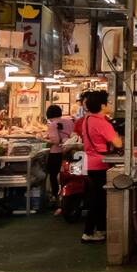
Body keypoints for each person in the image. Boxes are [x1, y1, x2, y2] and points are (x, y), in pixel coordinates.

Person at [78, 90, 122, 243]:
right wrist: (116, 134)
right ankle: (88, 233)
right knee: (97, 200)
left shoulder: (87, 120)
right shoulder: (102, 123)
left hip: (89, 163)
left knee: (98, 198)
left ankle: (101, 229)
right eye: (108, 102)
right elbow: (118, 143)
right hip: (100, 165)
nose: (110, 105)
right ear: (102, 105)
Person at [44, 104, 75, 213]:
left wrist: (42, 139)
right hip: (70, 152)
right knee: (68, 175)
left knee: (53, 175)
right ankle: (68, 198)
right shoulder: (70, 121)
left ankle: (56, 198)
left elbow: (55, 141)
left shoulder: (53, 124)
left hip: (56, 153)